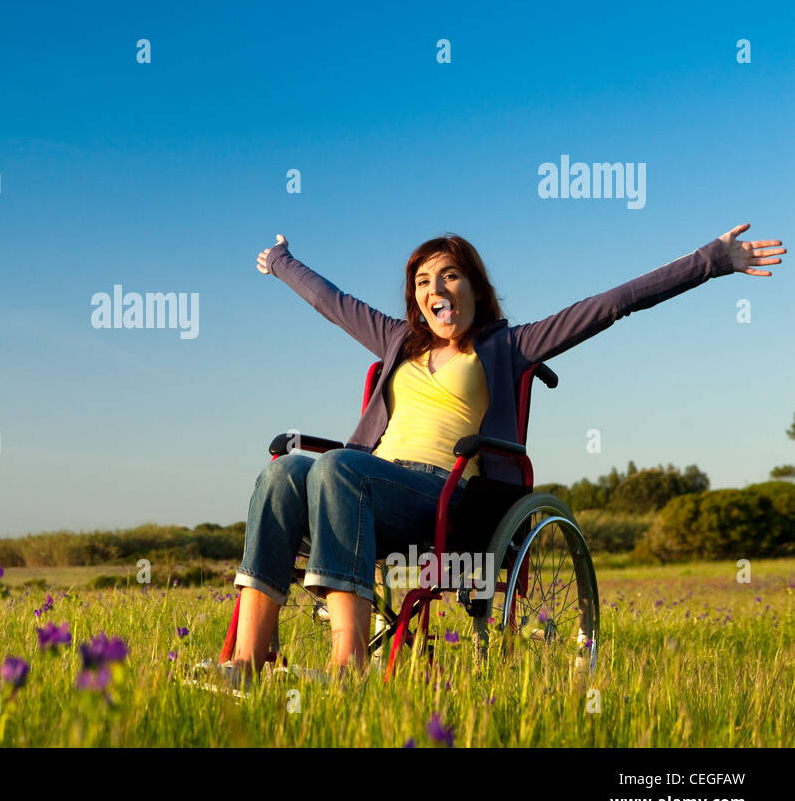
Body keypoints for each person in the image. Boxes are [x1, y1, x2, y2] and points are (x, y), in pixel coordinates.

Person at [227, 224, 784, 680]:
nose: (436, 289)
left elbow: (612, 304)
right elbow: (333, 302)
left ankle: (346, 667)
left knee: (336, 467)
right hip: (363, 483)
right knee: (284, 473)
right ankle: (248, 661)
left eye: (450, 275)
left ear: (474, 286)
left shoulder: (507, 345)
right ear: (416, 297)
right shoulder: (397, 340)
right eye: (424, 281)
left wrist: (712, 259)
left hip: (444, 494)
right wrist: (280, 261)